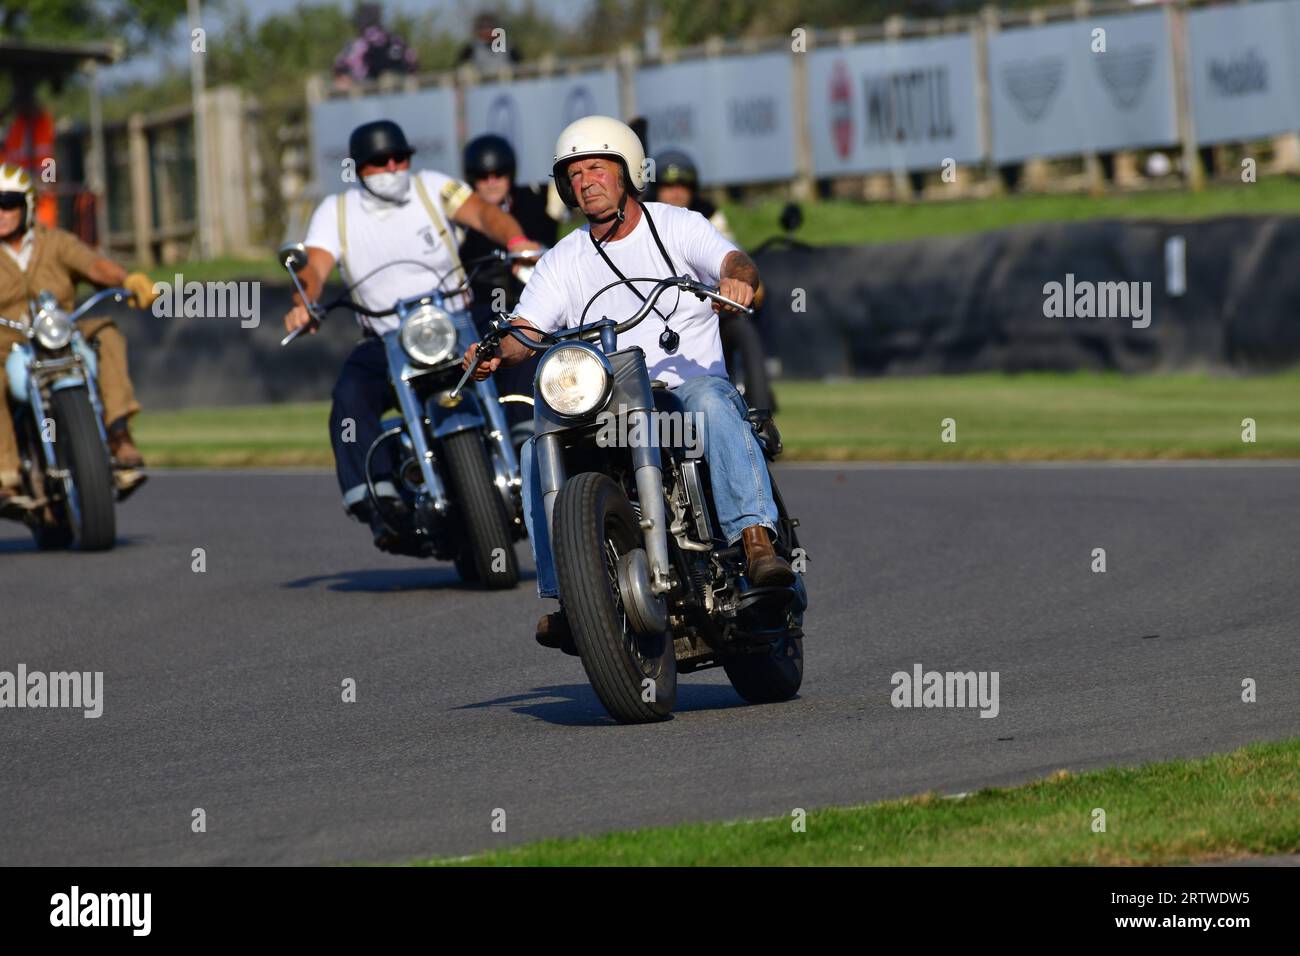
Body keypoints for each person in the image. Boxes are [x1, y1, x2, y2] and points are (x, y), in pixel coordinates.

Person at [460, 116, 794, 649]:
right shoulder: (562, 260)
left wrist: (737, 280)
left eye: (597, 167)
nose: (586, 180)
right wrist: (494, 350)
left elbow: (733, 260)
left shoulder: (676, 225)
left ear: (628, 170)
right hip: (607, 403)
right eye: (574, 173)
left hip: (684, 391)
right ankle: (571, 596)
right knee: (535, 448)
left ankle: (755, 540)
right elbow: (527, 328)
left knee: (708, 398)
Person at [282, 120, 540, 544]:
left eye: (399, 158)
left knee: (515, 341)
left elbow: (484, 213)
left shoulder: (433, 186)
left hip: (453, 317)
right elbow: (315, 264)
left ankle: (525, 434)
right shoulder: (337, 211)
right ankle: (375, 492)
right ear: (359, 169)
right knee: (351, 391)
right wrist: (303, 303)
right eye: (379, 162)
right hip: (386, 336)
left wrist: (515, 243)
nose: (392, 167)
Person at [0, 163, 156, 516]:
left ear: (25, 205)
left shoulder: (53, 241)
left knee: (106, 332)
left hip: (60, 332)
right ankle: (6, 477)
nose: (1, 213)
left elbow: (94, 266)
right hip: (7, 343)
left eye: (8, 202)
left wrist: (127, 280)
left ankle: (118, 435)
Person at [458, 134, 557, 446]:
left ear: (510, 174)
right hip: (480, 308)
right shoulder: (461, 221)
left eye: (498, 175)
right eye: (482, 177)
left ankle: (533, 421)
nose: (491, 183)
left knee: (536, 333)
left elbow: (582, 192)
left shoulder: (535, 200)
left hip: (531, 302)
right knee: (498, 338)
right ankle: (481, 430)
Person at [2, 77, 57, 228]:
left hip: (42, 207)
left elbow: (50, 159)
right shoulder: (15, 127)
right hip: (16, 206)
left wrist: (47, 181)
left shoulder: (43, 123)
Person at [649, 149, 734, 242]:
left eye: (684, 185)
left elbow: (727, 249)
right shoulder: (642, 217)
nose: (677, 192)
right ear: (655, 189)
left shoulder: (709, 215)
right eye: (669, 185)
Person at [332, 2, 418, 91]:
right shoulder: (395, 40)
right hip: (399, 91)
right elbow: (413, 63)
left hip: (366, 91)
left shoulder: (357, 45)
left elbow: (340, 68)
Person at [456, 11, 521, 72]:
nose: (486, 30)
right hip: (482, 83)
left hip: (507, 83)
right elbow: (457, 67)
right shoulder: (471, 48)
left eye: (489, 26)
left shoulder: (509, 46)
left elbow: (521, 67)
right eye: (483, 27)